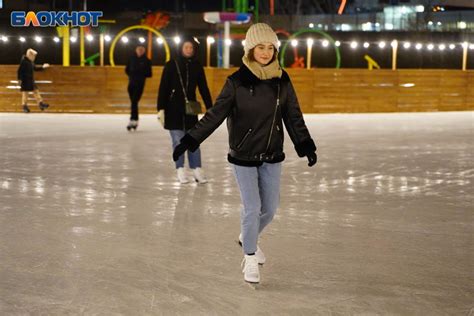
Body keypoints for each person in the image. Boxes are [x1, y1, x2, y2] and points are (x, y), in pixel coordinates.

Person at [172, 23, 317, 284]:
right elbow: (215, 115)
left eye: (270, 47)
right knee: (252, 209)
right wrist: (189, 140)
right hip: (243, 156)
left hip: (272, 154)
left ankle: (245, 237)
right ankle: (250, 256)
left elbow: (292, 115)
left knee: (270, 210)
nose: (265, 52)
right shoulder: (236, 82)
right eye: (260, 47)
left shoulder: (281, 79)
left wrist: (305, 144)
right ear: (250, 49)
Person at [157, 36, 213, 184]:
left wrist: (210, 107)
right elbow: (163, 88)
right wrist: (161, 109)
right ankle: (180, 169)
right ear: (181, 49)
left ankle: (197, 170)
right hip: (173, 110)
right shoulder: (171, 65)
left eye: (191, 48)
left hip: (190, 111)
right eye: (186, 47)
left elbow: (203, 88)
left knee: (193, 140)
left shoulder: (197, 65)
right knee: (178, 141)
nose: (189, 50)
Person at [125, 45, 152, 131]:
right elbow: (126, 69)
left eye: (141, 50)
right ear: (136, 50)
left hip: (140, 84)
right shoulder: (131, 58)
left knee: (134, 101)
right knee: (133, 102)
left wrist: (141, 73)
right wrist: (132, 75)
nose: (140, 51)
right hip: (131, 83)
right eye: (138, 49)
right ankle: (134, 119)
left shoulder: (147, 61)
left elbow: (149, 73)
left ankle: (133, 120)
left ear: (144, 51)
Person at [17, 48, 50, 113]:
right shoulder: (24, 61)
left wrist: (43, 67)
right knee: (25, 94)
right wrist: (19, 80)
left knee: (36, 91)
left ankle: (40, 103)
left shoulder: (30, 62)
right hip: (25, 80)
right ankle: (25, 107)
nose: (34, 58)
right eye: (33, 56)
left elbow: (35, 68)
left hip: (31, 80)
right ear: (29, 55)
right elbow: (19, 71)